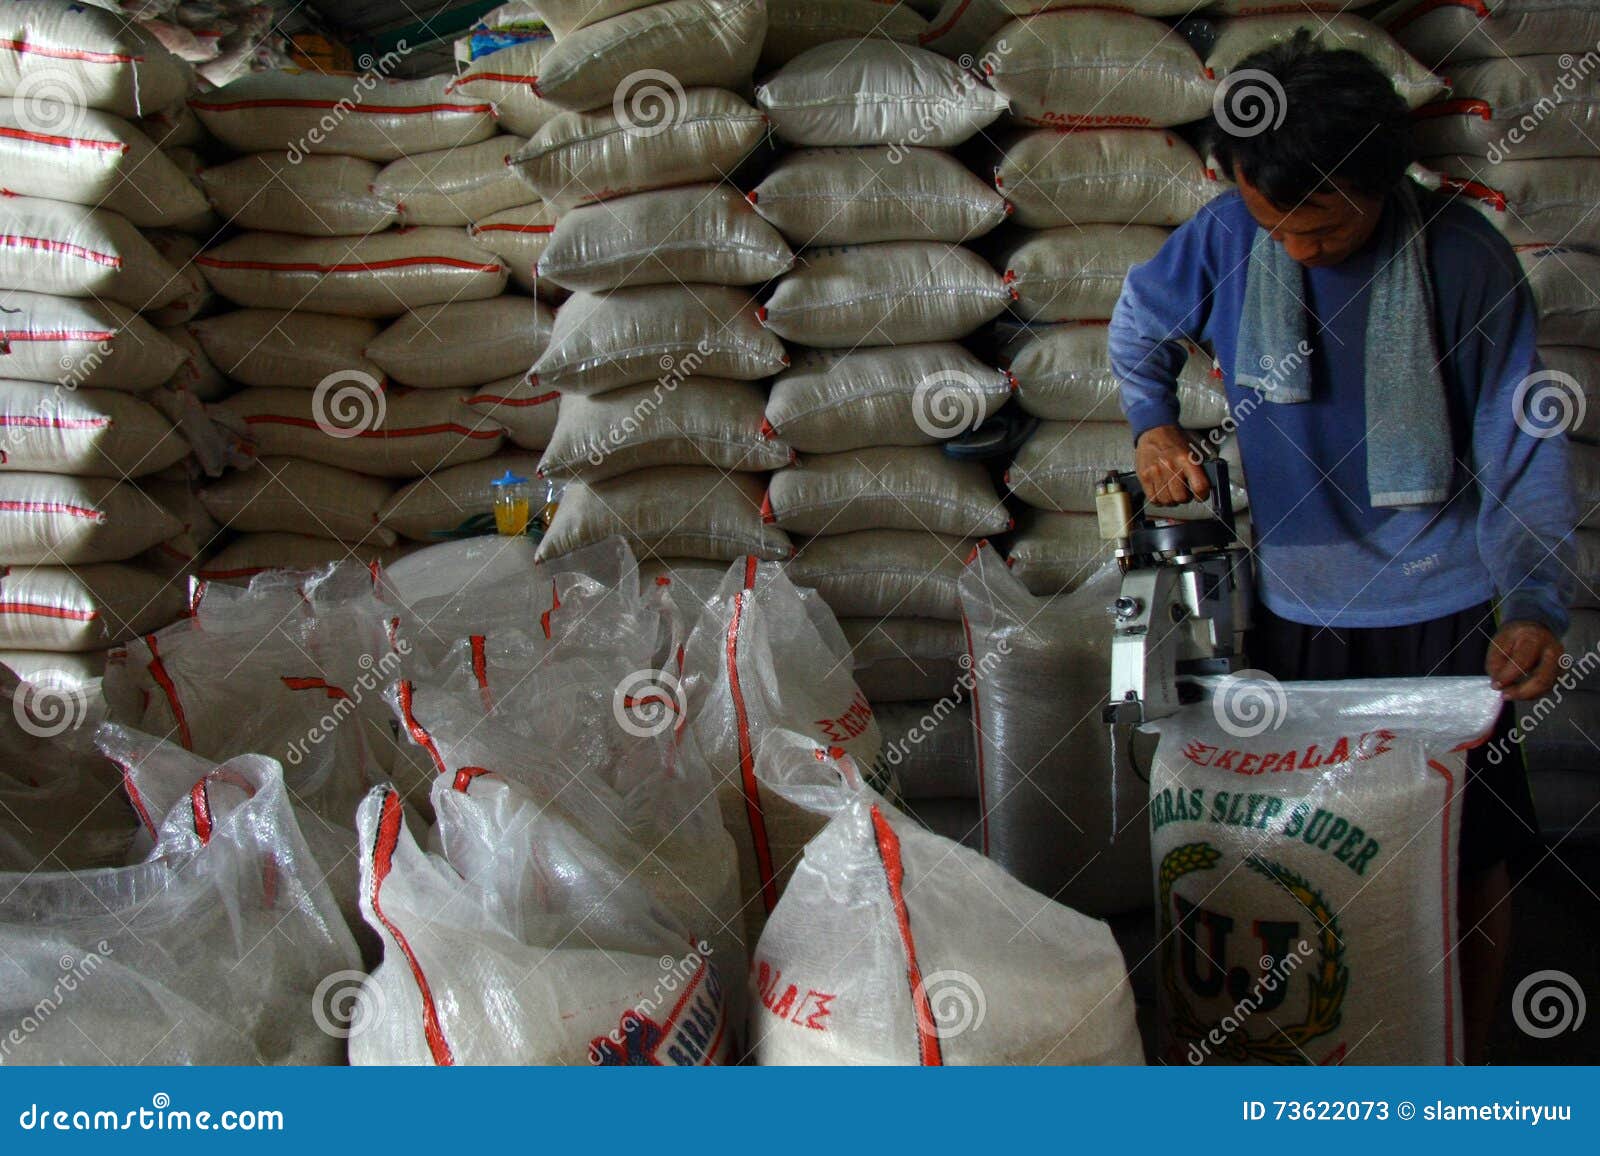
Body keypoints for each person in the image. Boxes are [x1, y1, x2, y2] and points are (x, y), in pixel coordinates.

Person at [1109, 33, 1578, 1064]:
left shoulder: (1461, 257)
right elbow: (1137, 323)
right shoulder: (1229, 235)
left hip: (1445, 615)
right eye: (1275, 225)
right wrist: (1153, 423)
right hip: (1292, 610)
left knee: (1465, 851)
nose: (1298, 251)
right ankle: (1340, 1058)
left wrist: (1537, 599)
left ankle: (1457, 1059)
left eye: (1322, 226)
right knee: (1313, 851)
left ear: (1379, 181)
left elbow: (1519, 446)